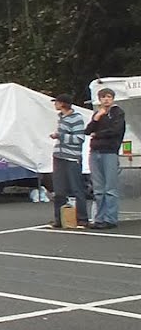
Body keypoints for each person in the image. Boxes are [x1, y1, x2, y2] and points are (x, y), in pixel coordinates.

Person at [86, 87, 126, 229]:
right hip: (95, 151)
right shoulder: (98, 113)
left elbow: (115, 131)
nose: (106, 99)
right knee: (98, 188)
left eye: (109, 97)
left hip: (109, 151)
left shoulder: (117, 113)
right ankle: (99, 218)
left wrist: (98, 134)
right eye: (103, 97)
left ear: (113, 98)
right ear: (100, 99)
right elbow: (87, 130)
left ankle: (110, 219)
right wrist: (96, 118)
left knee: (110, 188)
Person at [48, 95, 90, 229]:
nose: (55, 104)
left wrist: (60, 136)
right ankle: (59, 218)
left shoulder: (76, 118)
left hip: (72, 157)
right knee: (59, 189)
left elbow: (79, 138)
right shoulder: (61, 117)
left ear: (62, 103)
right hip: (59, 156)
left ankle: (82, 218)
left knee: (76, 188)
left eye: (56, 102)